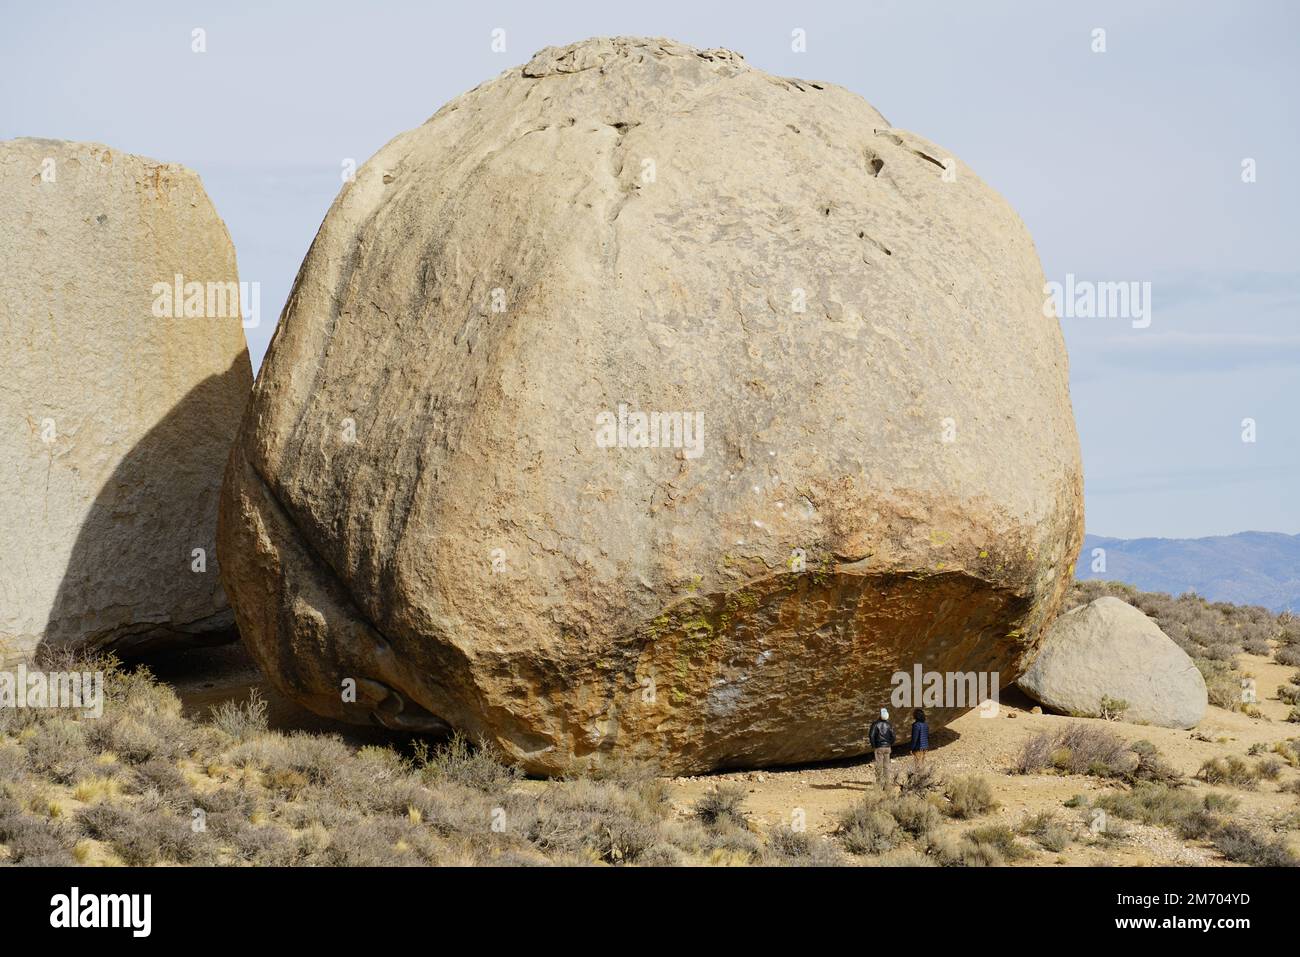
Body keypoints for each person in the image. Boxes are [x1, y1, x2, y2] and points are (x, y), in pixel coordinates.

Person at [869, 707, 896, 788]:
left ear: (880, 715)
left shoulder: (875, 724)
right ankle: (887, 785)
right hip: (887, 748)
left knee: (879, 766)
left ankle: (879, 785)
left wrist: (874, 746)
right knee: (886, 766)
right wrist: (890, 744)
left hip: (879, 747)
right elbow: (893, 736)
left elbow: (871, 735)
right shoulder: (889, 724)